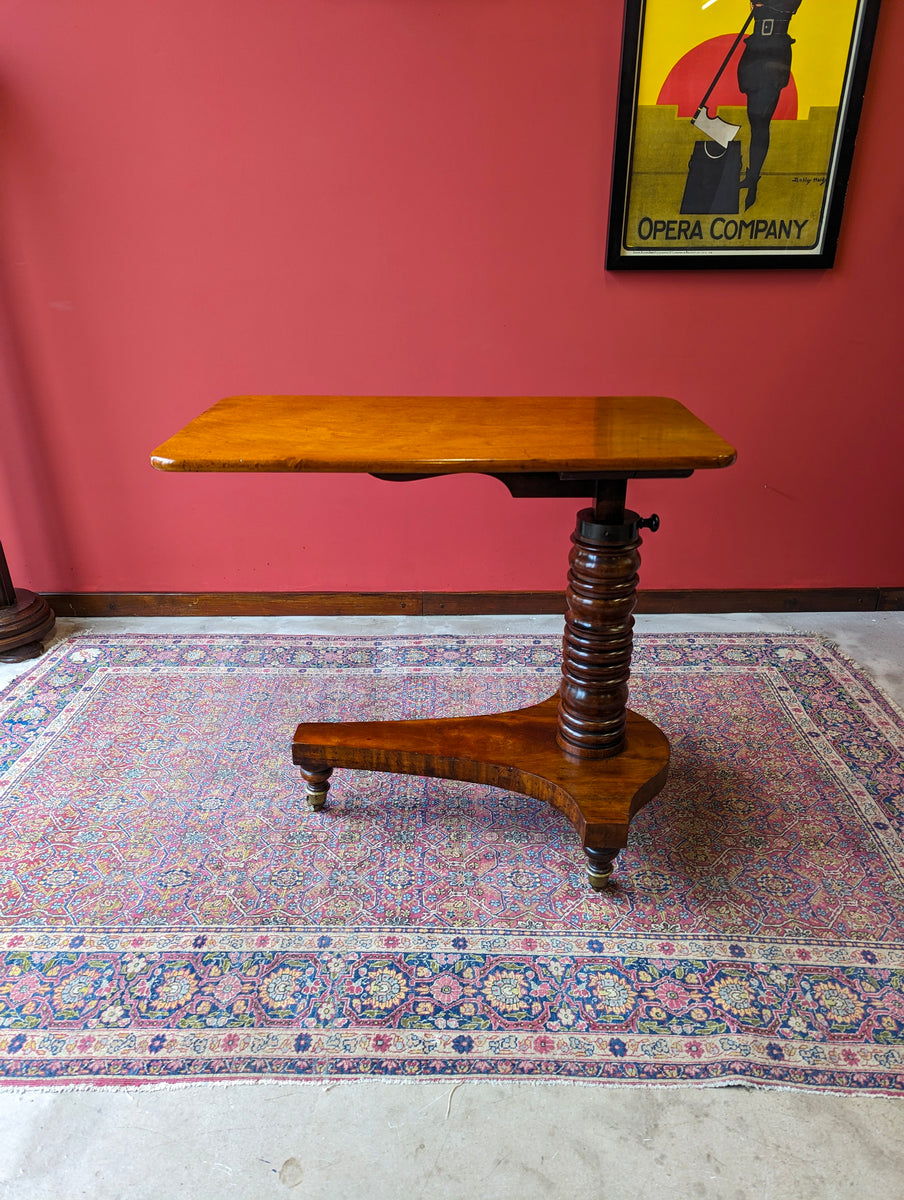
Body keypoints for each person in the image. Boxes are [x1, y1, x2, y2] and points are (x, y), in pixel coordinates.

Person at [737, 1, 803, 209]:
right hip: (754, 54)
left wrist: (763, 3)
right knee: (754, 122)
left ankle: (753, 180)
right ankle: (751, 176)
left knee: (761, 123)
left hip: (774, 56)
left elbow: (789, 5)